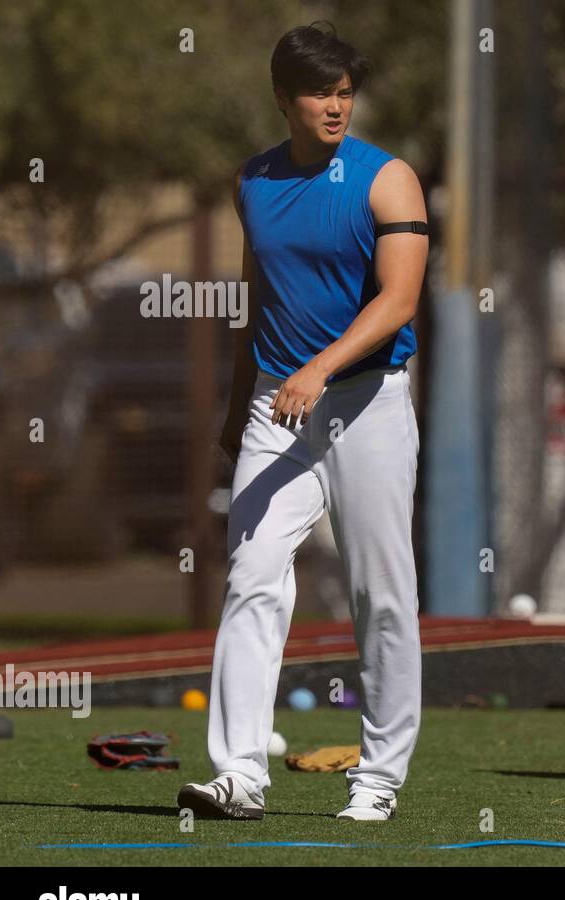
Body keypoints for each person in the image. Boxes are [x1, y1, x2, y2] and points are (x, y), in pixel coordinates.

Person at [177, 22, 429, 821]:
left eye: (346, 92)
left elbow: (399, 300)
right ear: (284, 100)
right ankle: (240, 774)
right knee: (251, 578)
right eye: (321, 93)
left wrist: (319, 369)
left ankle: (379, 781)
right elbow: (259, 301)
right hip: (274, 412)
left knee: (379, 594)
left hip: (366, 403)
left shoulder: (389, 180)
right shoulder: (250, 182)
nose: (336, 106)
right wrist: (235, 409)